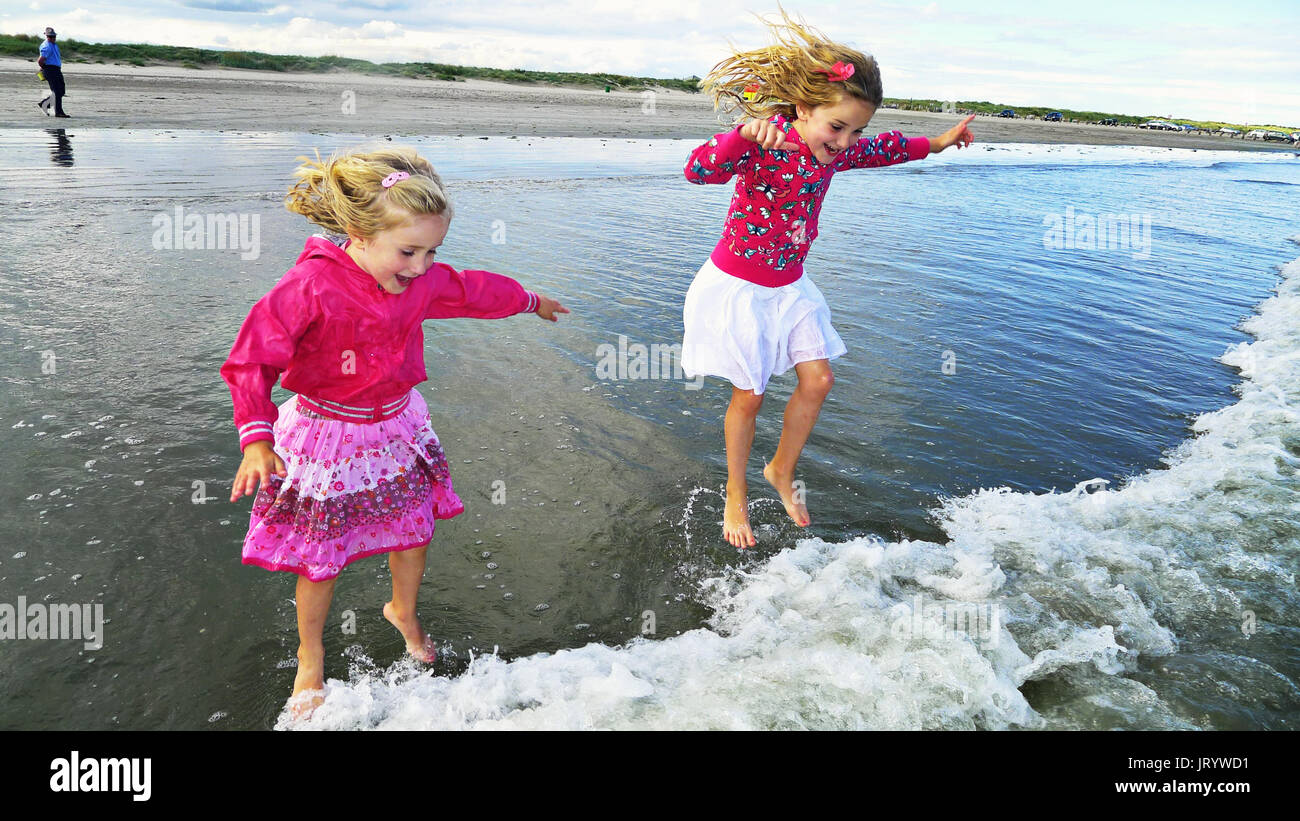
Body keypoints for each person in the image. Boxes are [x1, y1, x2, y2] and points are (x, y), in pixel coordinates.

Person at [221, 146, 568, 715]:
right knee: (321, 555)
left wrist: (530, 301)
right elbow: (251, 359)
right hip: (326, 434)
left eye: (432, 251)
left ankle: (401, 610)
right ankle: (311, 656)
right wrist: (257, 439)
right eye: (408, 251)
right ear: (358, 232)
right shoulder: (308, 287)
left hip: (398, 426)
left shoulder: (422, 279)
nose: (420, 266)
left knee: (414, 529)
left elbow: (470, 290)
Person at [681, 10, 975, 548]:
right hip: (738, 290)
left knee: (818, 381)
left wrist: (936, 143)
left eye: (855, 129)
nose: (845, 141)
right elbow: (699, 170)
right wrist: (741, 137)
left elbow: (885, 148)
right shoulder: (763, 145)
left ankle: (780, 470)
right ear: (802, 108)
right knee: (749, 395)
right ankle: (735, 491)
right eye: (837, 126)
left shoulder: (835, 153)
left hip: (789, 288)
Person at [37, 27, 69, 118]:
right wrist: (44, 68)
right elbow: (40, 60)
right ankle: (58, 112)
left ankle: (44, 104)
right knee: (56, 91)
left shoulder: (54, 45)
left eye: (53, 36)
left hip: (56, 69)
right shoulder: (46, 46)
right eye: (50, 37)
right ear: (46, 36)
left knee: (61, 91)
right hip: (50, 69)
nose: (52, 38)